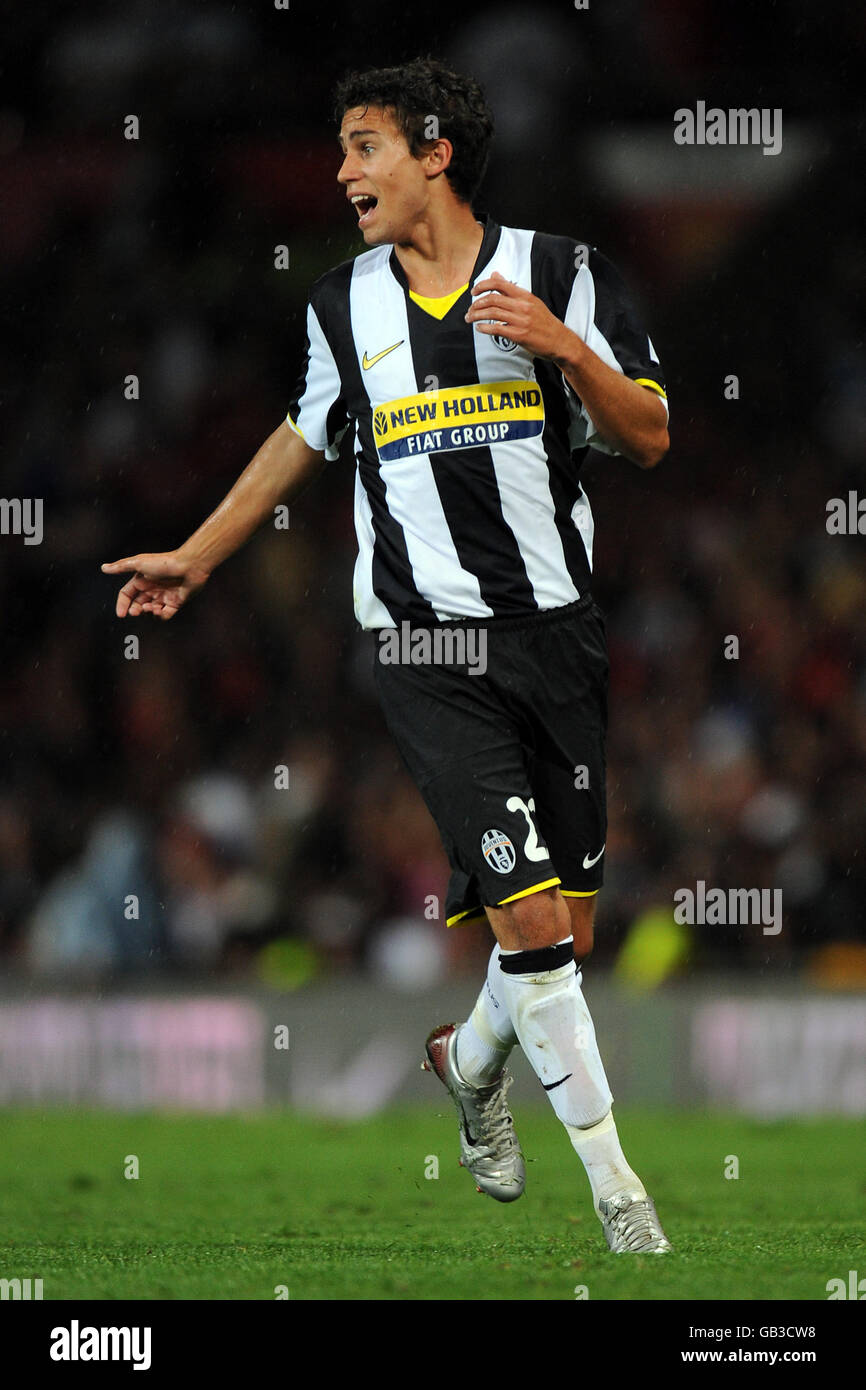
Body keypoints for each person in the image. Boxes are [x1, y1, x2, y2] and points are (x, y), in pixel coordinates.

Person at [102, 57, 672, 1253]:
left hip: (556, 636)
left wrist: (566, 349)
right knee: (527, 926)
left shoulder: (561, 273)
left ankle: (465, 1066)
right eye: (342, 148)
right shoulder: (336, 307)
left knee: (563, 924)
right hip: (421, 645)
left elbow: (652, 434)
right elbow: (298, 436)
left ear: (433, 154)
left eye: (362, 146)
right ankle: (624, 1202)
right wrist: (199, 556)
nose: (343, 170)